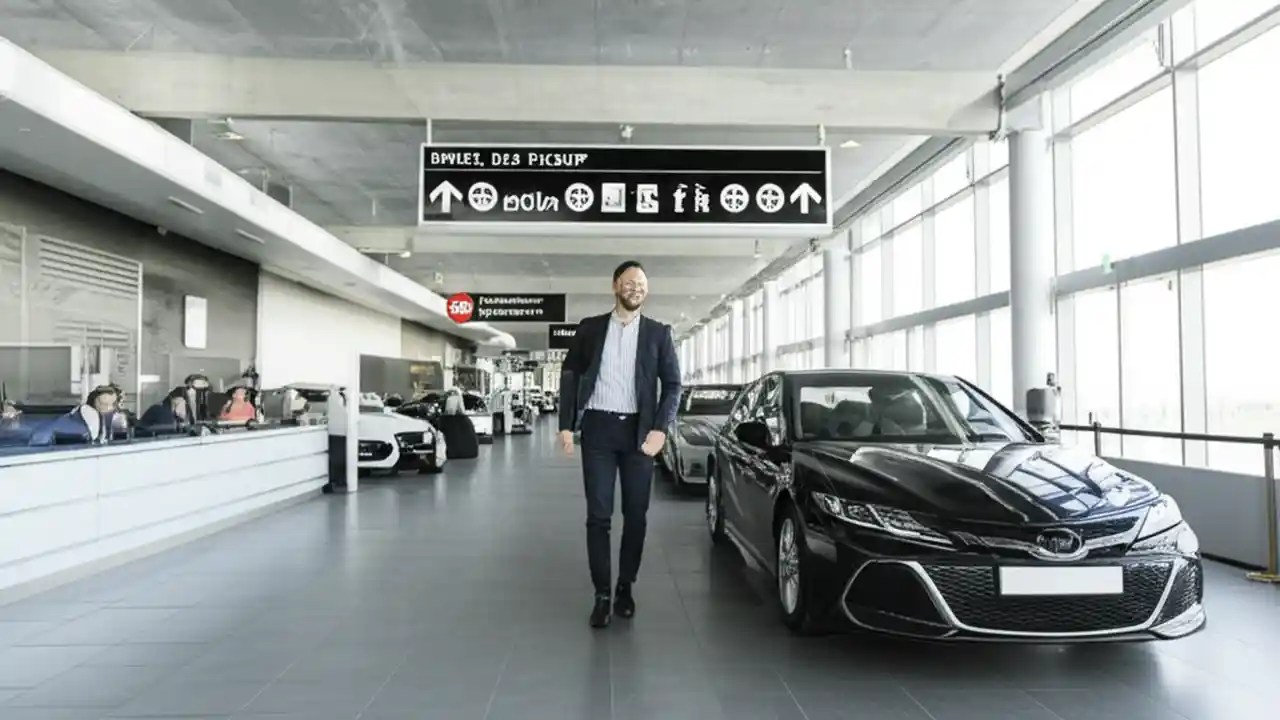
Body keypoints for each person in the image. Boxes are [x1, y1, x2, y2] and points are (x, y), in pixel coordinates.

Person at [558, 260, 682, 629]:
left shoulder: (659, 333)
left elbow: (673, 385)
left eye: (641, 283)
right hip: (598, 428)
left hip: (638, 434)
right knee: (598, 516)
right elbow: (571, 374)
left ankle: (625, 585)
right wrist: (566, 425)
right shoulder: (591, 329)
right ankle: (602, 594)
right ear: (615, 286)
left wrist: (661, 427)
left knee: (636, 515)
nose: (635, 288)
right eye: (629, 282)